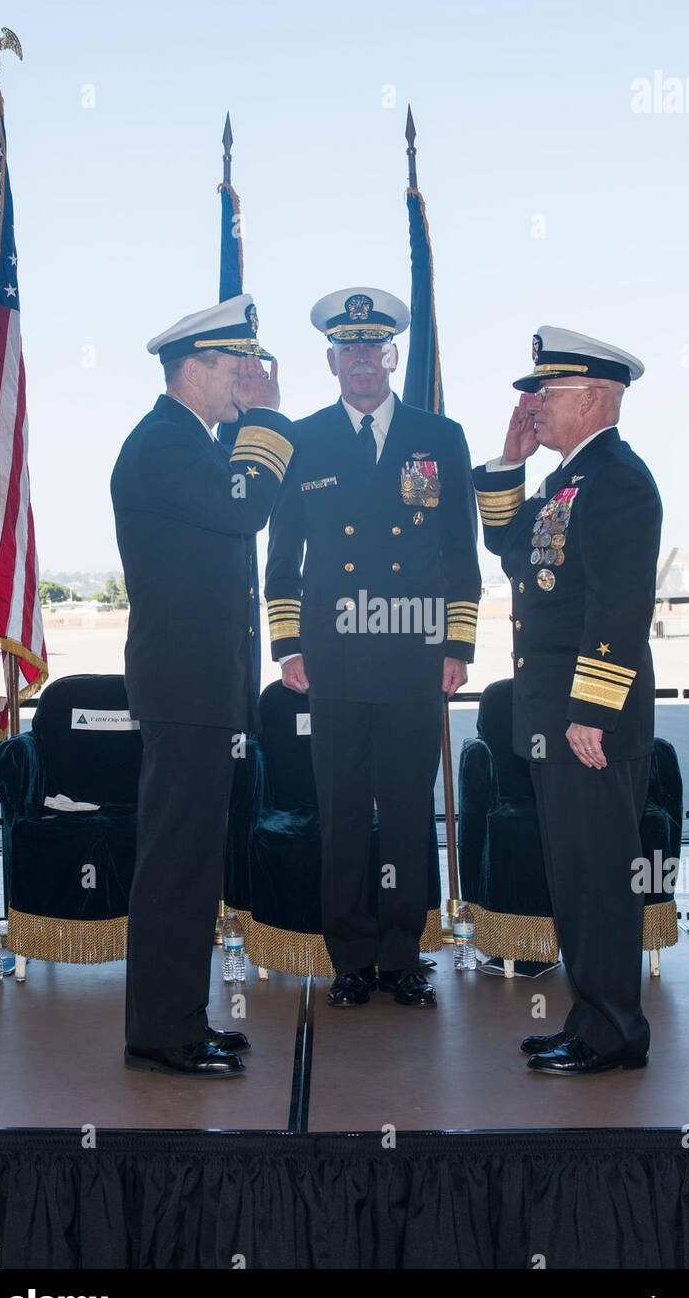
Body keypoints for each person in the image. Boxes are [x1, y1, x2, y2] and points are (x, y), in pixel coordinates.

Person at [265, 287, 481, 1007]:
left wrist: (458, 644)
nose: (362, 360)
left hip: (415, 653)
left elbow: (460, 549)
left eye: (373, 348)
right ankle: (351, 957)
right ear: (331, 360)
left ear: (390, 355)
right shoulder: (303, 438)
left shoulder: (439, 437)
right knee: (344, 809)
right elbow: (283, 554)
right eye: (348, 349)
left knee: (407, 809)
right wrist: (287, 644)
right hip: (335, 656)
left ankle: (403, 954)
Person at [111, 294, 294, 1077]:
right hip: (184, 689)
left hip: (202, 688)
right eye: (236, 367)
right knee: (176, 863)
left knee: (191, 862)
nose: (247, 380)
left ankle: (180, 1018)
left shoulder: (189, 441)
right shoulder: (163, 444)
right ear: (195, 369)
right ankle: (161, 1031)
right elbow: (244, 509)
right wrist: (270, 420)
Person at [472, 326, 662, 1074]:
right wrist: (509, 465)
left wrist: (593, 711)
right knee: (576, 875)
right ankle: (591, 1020)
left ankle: (614, 1032)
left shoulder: (617, 478)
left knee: (600, 876)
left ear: (595, 398)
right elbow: (510, 550)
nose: (533, 406)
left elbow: (618, 605)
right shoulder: (567, 480)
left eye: (545, 394)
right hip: (556, 712)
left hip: (587, 717)